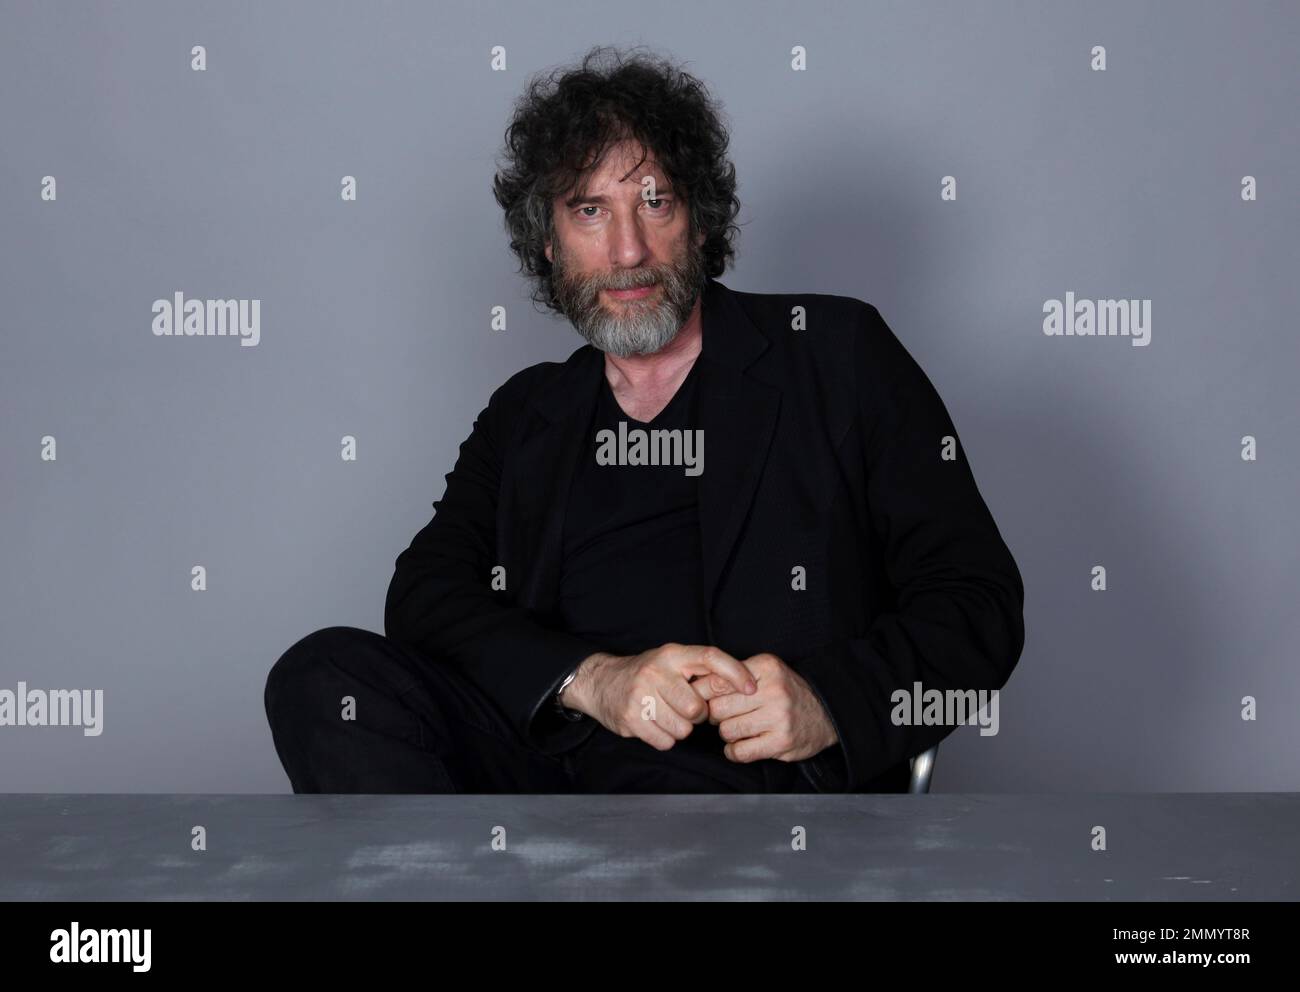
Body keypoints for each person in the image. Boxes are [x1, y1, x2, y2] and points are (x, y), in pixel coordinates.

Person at [264, 45, 1025, 794]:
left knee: (674, 810)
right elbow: (426, 595)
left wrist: (829, 700)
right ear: (549, 243)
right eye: (590, 210)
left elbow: (977, 600)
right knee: (327, 679)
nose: (627, 250)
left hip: (741, 779)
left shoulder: (836, 354)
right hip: (554, 765)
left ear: (700, 222)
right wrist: (592, 680)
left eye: (654, 201)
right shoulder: (527, 413)